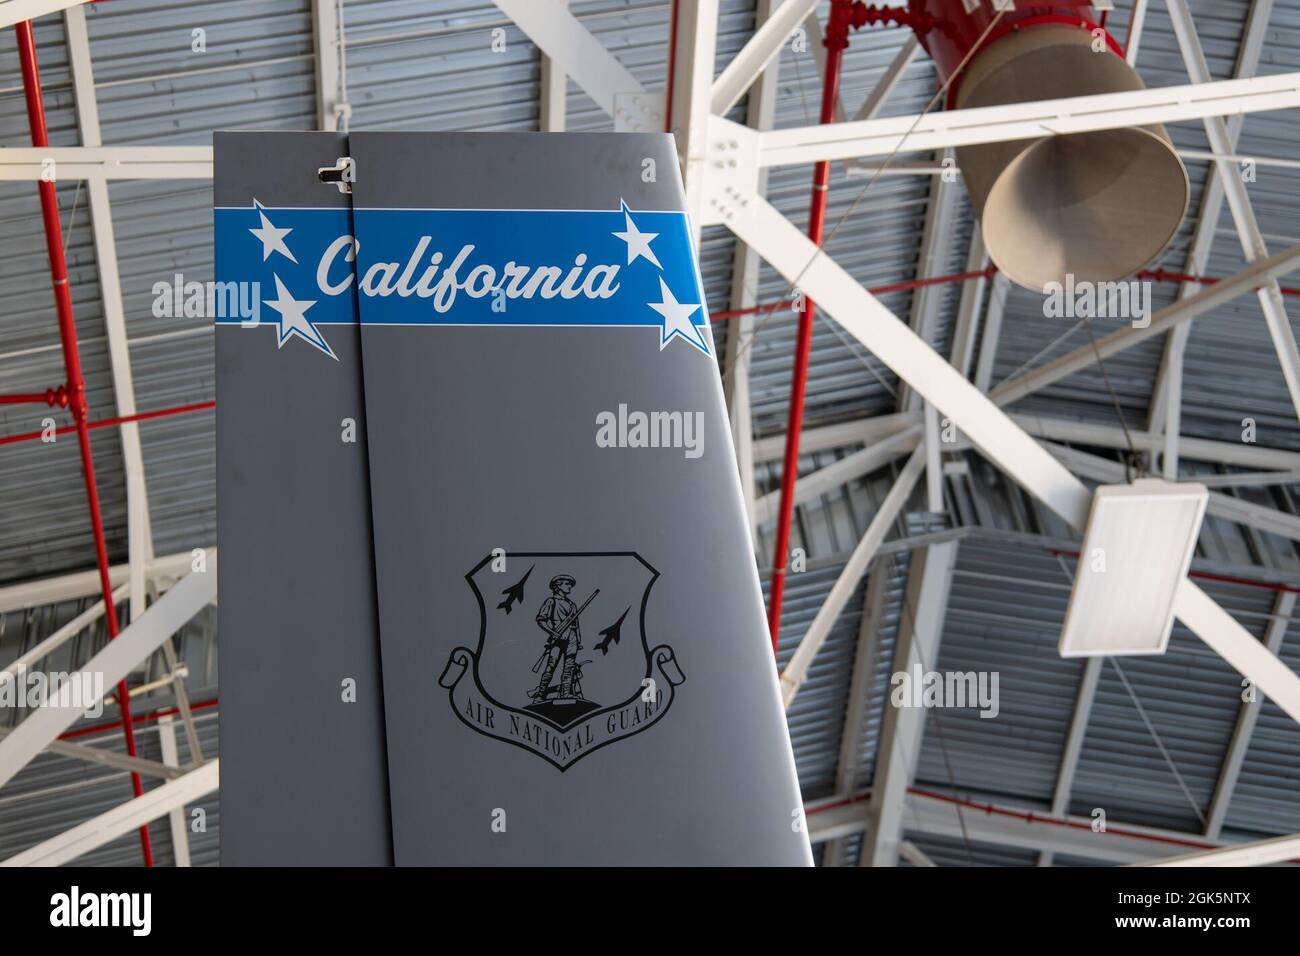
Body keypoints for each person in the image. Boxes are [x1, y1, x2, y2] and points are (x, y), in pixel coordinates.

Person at [531, 574, 582, 701]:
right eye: (567, 584)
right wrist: (552, 632)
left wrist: (578, 640)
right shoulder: (551, 601)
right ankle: (540, 694)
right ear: (558, 586)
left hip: (572, 638)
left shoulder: (572, 605)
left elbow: (577, 624)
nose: (570, 586)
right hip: (558, 638)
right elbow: (541, 619)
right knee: (551, 666)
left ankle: (565, 694)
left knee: (569, 668)